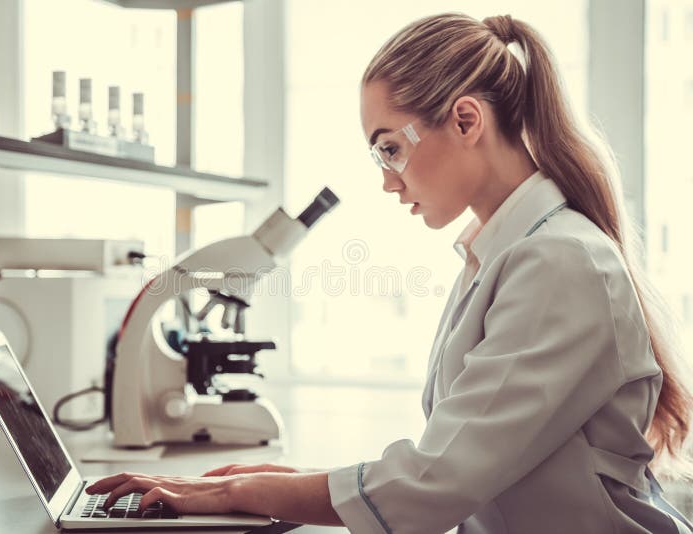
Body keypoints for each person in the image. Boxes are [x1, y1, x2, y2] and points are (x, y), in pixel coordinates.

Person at [86, 13, 693, 534]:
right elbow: (452, 462)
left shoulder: (558, 261)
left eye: (390, 149)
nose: (386, 179)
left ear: (465, 120)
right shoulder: (508, 252)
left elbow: (435, 484)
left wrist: (229, 495)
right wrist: (276, 480)